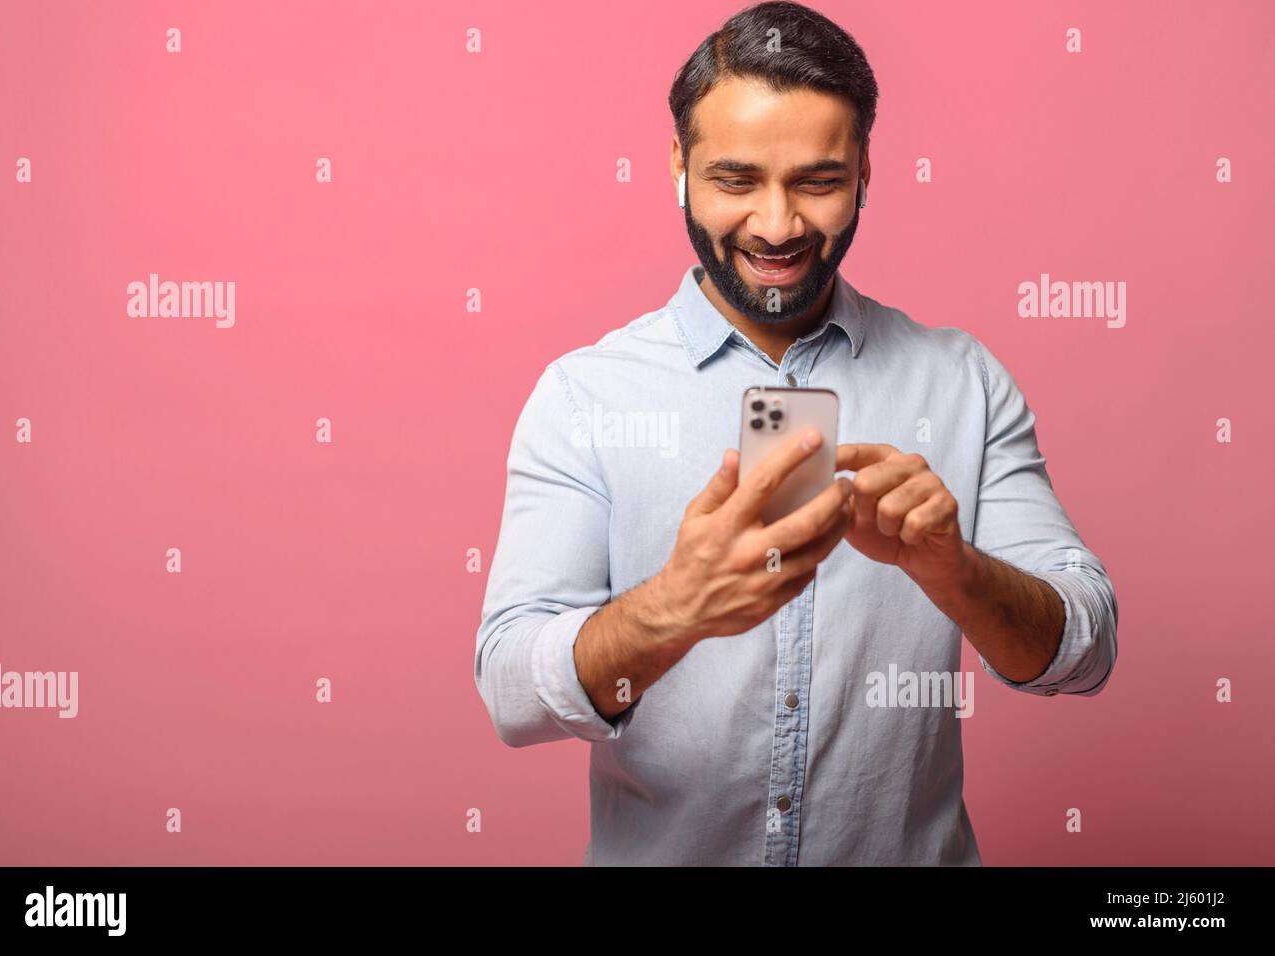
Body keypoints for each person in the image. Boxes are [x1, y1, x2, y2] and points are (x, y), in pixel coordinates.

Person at [474, 0, 1118, 866]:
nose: (776, 227)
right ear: (678, 164)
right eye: (735, 181)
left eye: (817, 182)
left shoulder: (961, 381)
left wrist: (954, 570)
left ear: (862, 170)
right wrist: (676, 606)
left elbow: (1086, 647)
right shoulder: (585, 395)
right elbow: (512, 690)